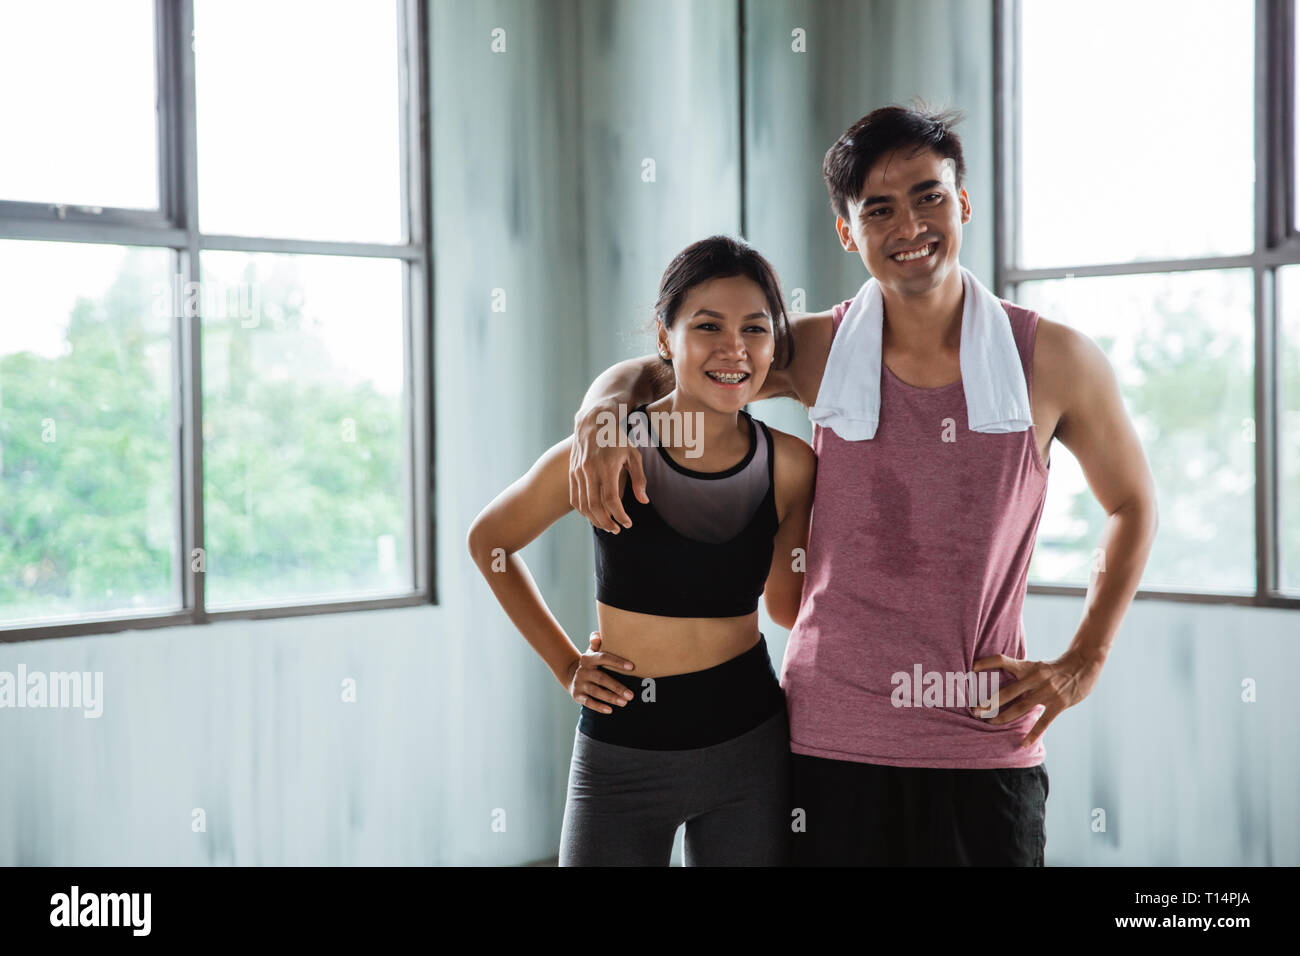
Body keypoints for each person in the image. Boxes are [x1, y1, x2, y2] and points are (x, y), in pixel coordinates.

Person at [568, 105, 1158, 866]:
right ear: (849, 232)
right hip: (829, 739)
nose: (909, 224)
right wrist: (602, 409)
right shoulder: (817, 348)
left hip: (979, 739)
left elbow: (1132, 502)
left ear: (963, 203)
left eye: (929, 196)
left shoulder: (1054, 360)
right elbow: (679, 364)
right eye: (879, 209)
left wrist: (1084, 660)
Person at [467, 235, 817, 866]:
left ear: (773, 343)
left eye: (755, 329)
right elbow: (491, 542)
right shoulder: (610, 446)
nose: (734, 348)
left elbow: (788, 607)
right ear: (665, 337)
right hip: (621, 752)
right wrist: (566, 664)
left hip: (749, 746)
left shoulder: (791, 465)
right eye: (707, 325)